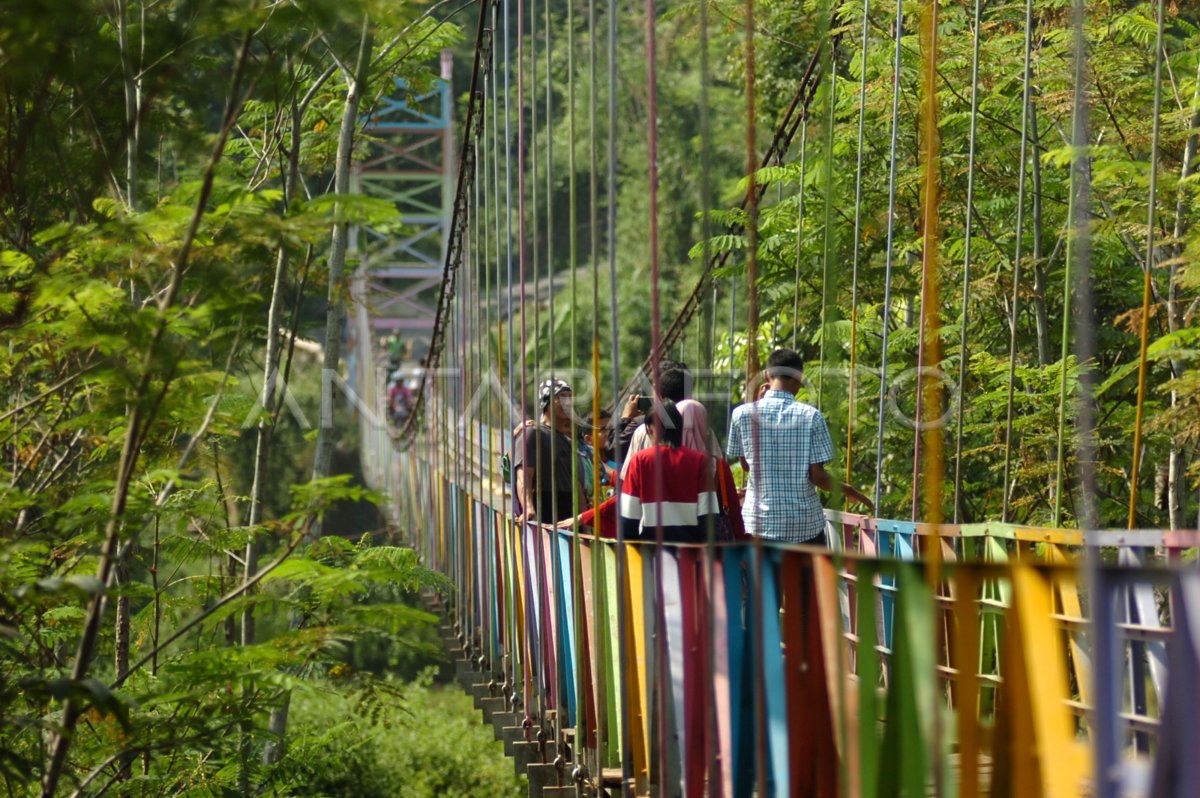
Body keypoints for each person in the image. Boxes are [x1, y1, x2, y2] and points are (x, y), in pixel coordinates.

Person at [726, 348, 873, 545]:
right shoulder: (812, 416)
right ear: (799, 378)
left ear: (768, 375)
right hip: (804, 528)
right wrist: (848, 490)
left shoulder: (741, 415)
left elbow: (747, 465)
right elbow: (818, 477)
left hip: (758, 526)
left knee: (762, 578)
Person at [618, 400, 721, 543]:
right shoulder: (700, 461)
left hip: (651, 552)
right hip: (689, 554)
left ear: (649, 429)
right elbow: (709, 519)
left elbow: (629, 518)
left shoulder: (640, 461)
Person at [513, 379, 582, 525]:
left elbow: (575, 483)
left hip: (568, 516)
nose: (568, 402)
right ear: (546, 402)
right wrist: (528, 508)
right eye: (561, 397)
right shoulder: (533, 433)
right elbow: (524, 475)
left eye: (570, 397)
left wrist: (584, 521)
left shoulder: (566, 440)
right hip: (544, 515)